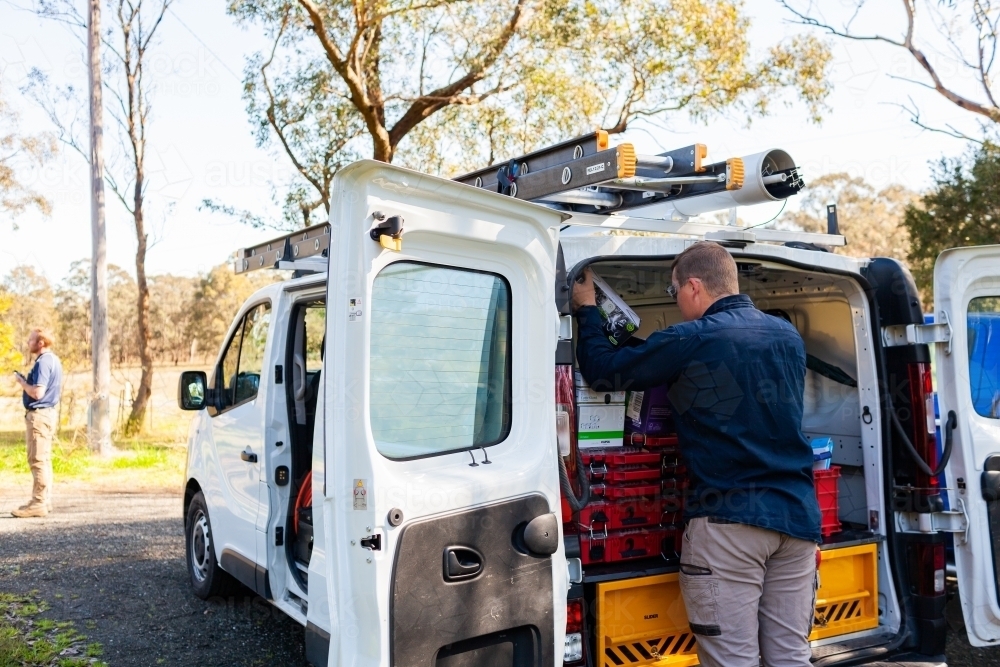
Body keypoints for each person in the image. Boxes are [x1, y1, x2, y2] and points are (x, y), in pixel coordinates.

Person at [573, 241, 821, 667]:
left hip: (730, 523)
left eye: (673, 293)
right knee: (791, 658)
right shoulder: (788, 336)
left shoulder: (691, 337)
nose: (677, 303)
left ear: (693, 287)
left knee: (732, 661)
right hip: (797, 519)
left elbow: (601, 371)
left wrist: (585, 310)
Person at [11, 328, 63, 518]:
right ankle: (43, 499)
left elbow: (38, 393)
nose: (28, 342)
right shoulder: (54, 360)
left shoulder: (43, 362)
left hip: (39, 416)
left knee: (37, 459)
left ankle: (38, 502)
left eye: (31, 339)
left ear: (41, 342)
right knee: (45, 459)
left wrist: (22, 383)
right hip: (48, 414)